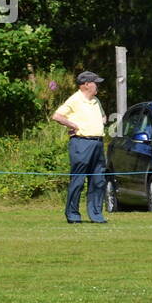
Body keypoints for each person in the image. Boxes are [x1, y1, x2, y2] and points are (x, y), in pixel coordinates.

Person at [51, 70, 109, 224]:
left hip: (97, 143)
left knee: (98, 180)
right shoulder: (74, 100)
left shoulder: (96, 100)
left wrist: (100, 121)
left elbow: (103, 117)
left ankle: (96, 215)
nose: (98, 86)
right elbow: (57, 116)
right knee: (78, 180)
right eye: (95, 83)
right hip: (81, 143)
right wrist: (73, 125)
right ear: (86, 84)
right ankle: (73, 215)